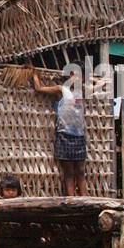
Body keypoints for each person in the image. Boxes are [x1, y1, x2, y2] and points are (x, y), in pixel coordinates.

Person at [32, 67, 86, 196]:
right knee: (69, 172)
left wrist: (92, 79)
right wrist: (34, 74)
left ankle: (85, 197)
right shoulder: (61, 90)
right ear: (70, 75)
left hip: (79, 135)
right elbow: (39, 89)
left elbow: (104, 83)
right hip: (64, 134)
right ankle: (71, 199)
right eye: (74, 75)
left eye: (80, 76)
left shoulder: (81, 91)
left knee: (81, 170)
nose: (77, 79)